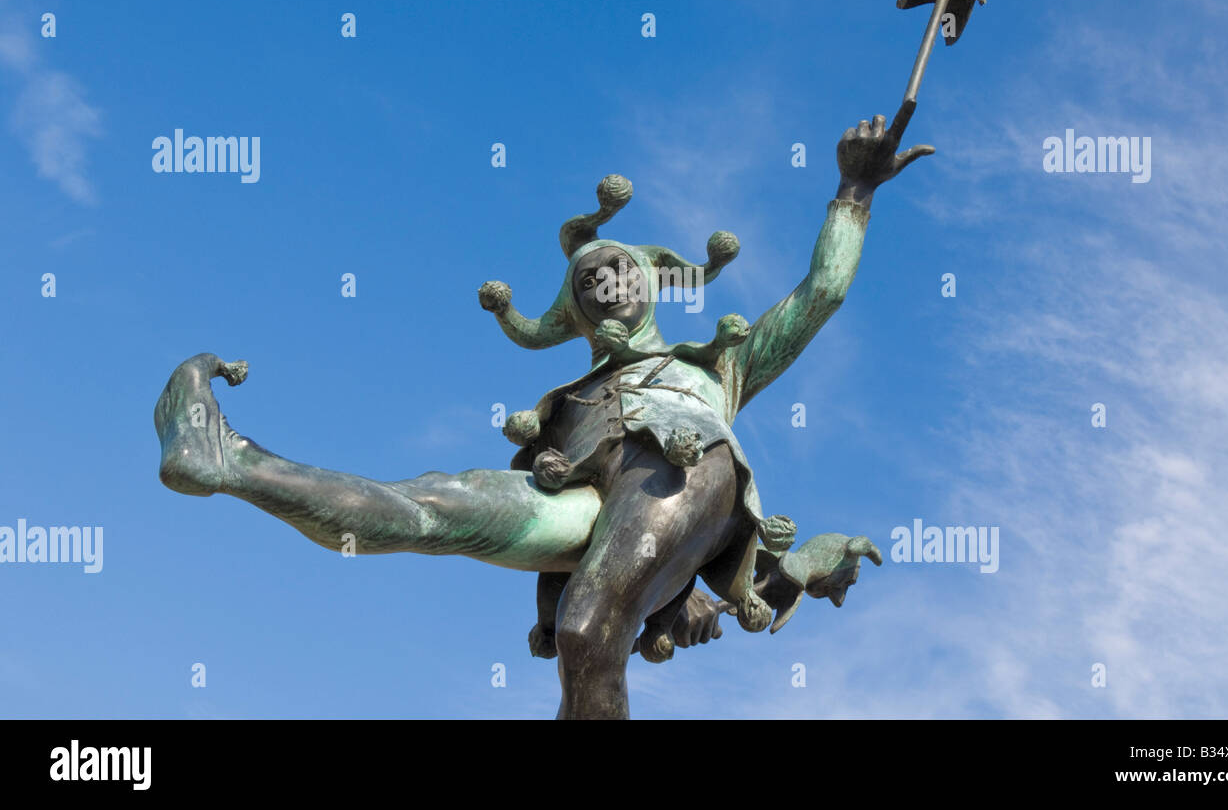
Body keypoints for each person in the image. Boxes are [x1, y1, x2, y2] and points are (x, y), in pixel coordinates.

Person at [154, 103, 931, 719]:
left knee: (589, 629)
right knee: (425, 505)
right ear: (577, 318)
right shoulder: (567, 408)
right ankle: (230, 459)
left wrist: (854, 189)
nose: (602, 283)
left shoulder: (720, 365)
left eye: (616, 269)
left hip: (679, 472)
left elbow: (820, 293)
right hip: (583, 496)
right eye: (586, 284)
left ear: (651, 284)